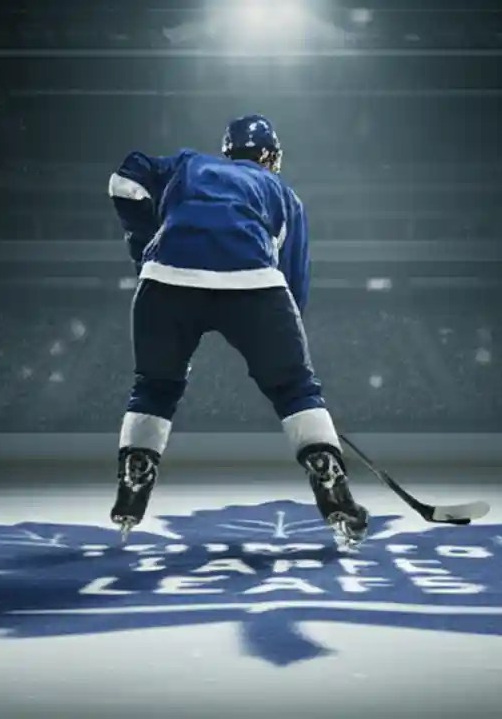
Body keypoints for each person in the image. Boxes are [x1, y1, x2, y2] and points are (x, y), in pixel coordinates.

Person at [106, 114, 368, 548]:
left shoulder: (186, 164)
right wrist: (286, 349)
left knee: (154, 388)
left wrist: (146, 242)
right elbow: (294, 283)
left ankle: (135, 478)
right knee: (296, 390)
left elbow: (124, 181)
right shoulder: (282, 193)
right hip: (255, 286)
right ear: (268, 154)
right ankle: (328, 475)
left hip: (165, 281)